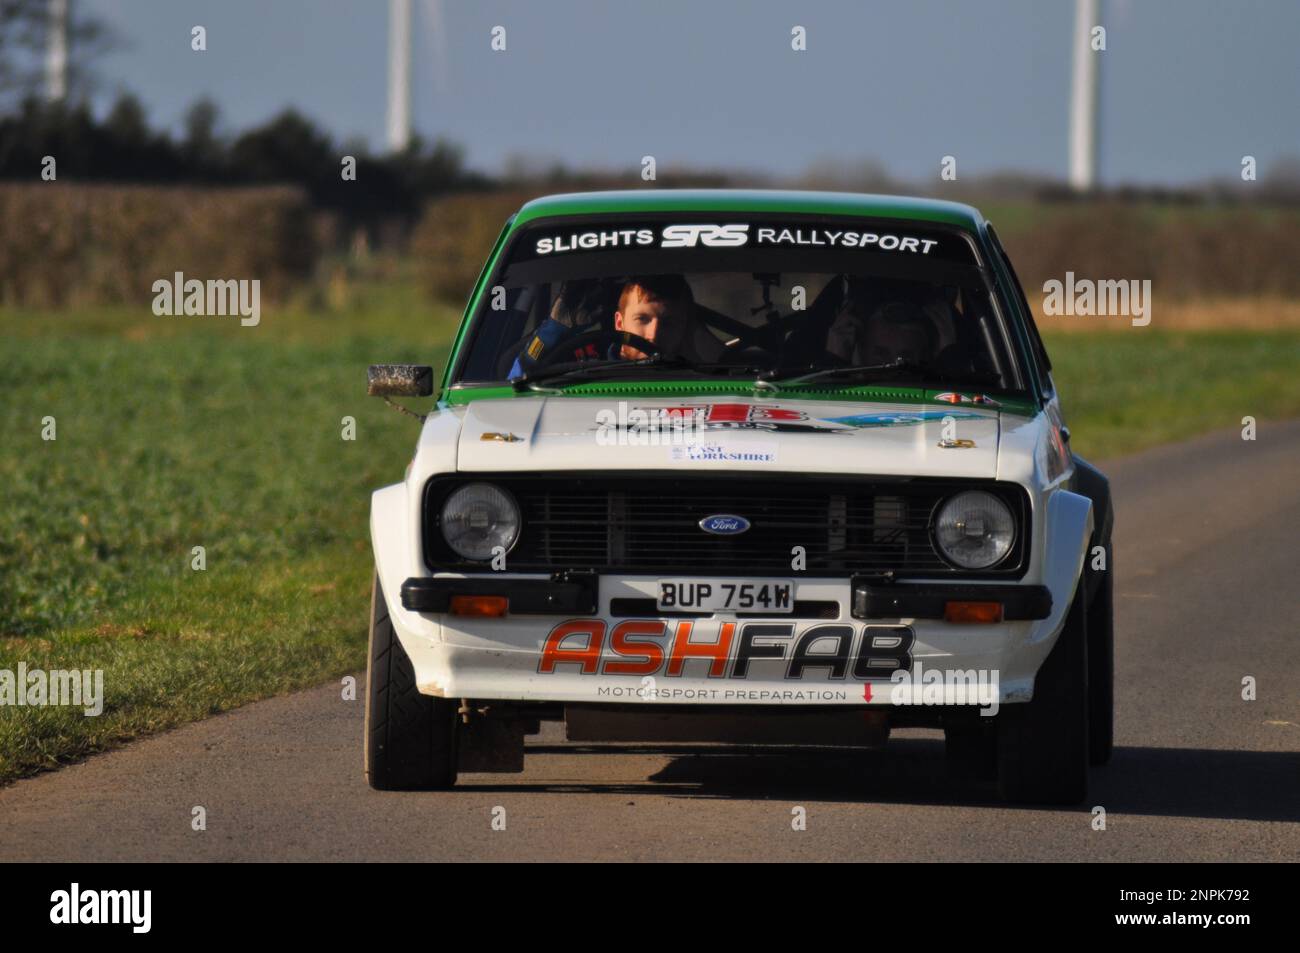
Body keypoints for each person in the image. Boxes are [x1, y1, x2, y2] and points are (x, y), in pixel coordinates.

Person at [613, 275, 695, 360]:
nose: (653, 336)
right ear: (619, 323)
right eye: (642, 319)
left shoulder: (701, 371)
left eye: (668, 323)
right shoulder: (599, 371)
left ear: (685, 328)